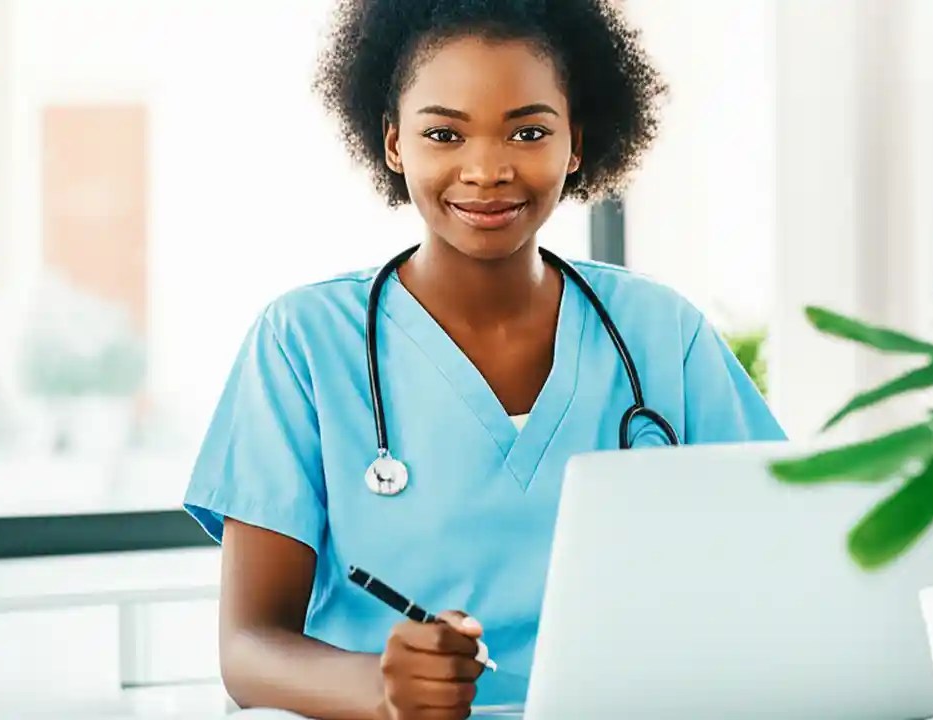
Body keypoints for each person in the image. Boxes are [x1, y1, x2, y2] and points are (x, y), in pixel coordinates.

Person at [182, 1, 786, 718]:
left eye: (528, 131)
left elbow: (781, 566)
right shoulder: (303, 343)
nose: (487, 169)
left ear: (576, 143)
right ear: (394, 143)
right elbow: (248, 647)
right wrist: (380, 687)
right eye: (444, 133)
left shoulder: (662, 333)